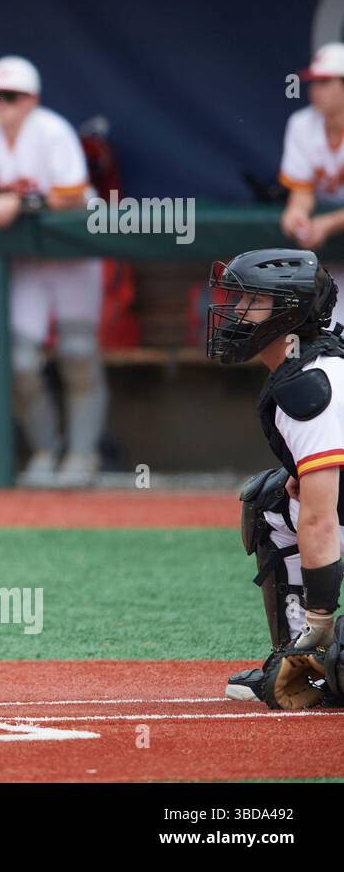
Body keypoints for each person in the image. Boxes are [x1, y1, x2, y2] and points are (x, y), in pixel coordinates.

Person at [0, 56, 108, 485]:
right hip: (27, 260)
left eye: (11, 96)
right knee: (19, 361)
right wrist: (1, 204)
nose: (0, 104)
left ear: (32, 100)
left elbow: (72, 196)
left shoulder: (53, 129)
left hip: (73, 255)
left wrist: (20, 204)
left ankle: (83, 455)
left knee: (78, 353)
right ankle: (45, 448)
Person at [206, 248, 344, 708]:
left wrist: (321, 620)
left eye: (252, 301)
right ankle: (300, 656)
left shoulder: (311, 386)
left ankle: (316, 660)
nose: (236, 313)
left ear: (290, 311)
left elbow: (322, 521)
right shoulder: (313, 365)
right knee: (273, 502)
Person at [279, 42, 344, 326]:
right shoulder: (302, 124)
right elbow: (302, 191)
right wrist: (296, 214)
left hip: (333, 228)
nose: (314, 90)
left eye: (324, 82)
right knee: (330, 325)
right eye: (313, 82)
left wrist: (327, 224)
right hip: (333, 252)